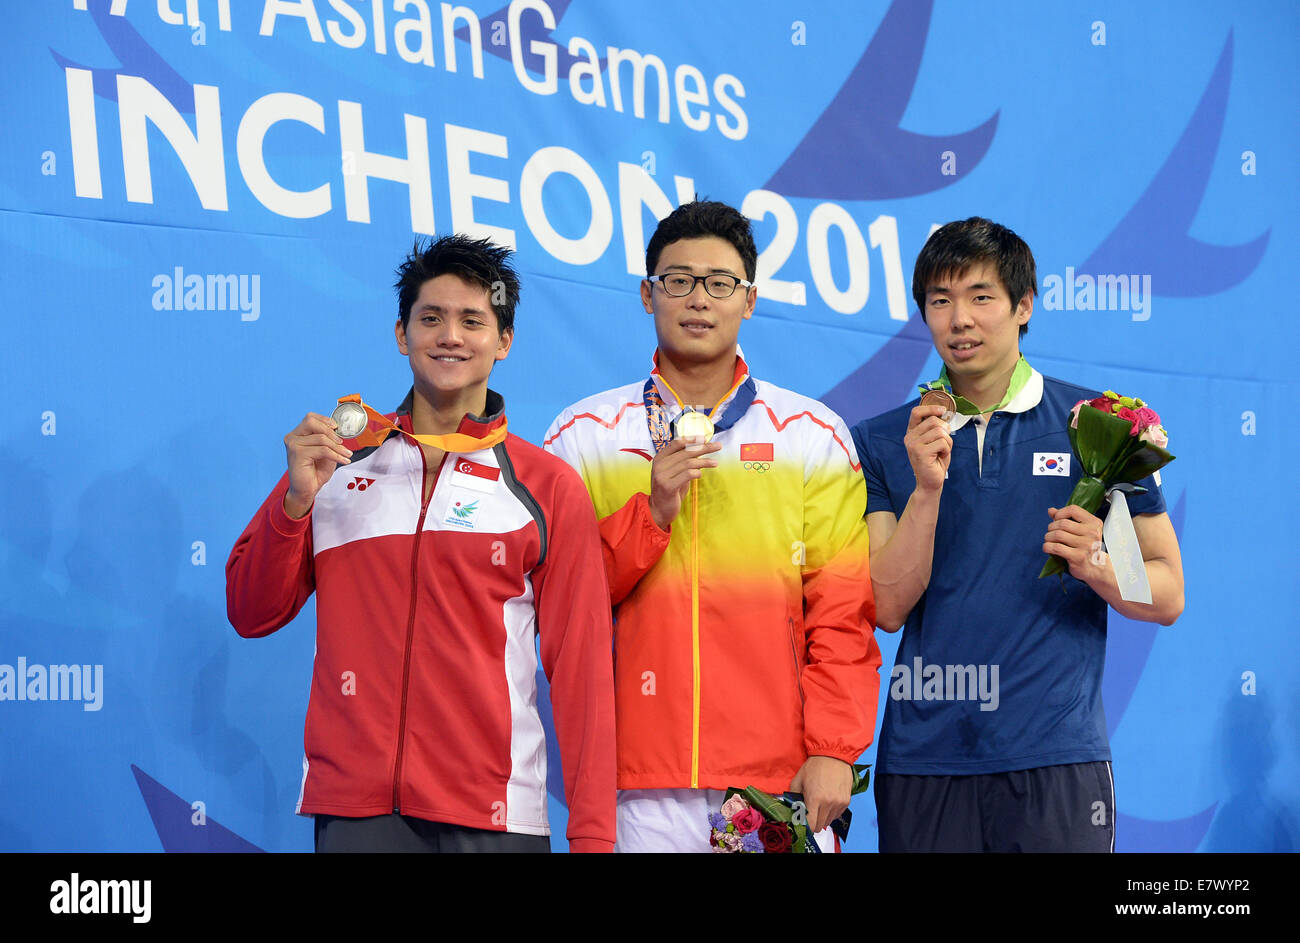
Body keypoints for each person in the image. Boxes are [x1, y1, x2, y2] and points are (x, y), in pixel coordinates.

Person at [226, 234, 615, 853]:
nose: (450, 336)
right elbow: (251, 612)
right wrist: (295, 502)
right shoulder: (335, 461)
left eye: (473, 320)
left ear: (504, 341)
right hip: (358, 812)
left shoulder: (547, 487)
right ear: (401, 334)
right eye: (430, 318)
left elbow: (582, 674)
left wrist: (594, 838)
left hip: (496, 815)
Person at [543, 200, 881, 852]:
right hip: (636, 787)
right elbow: (558, 607)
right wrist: (650, 516)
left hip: (777, 783)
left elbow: (842, 611)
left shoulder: (811, 435)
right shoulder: (583, 435)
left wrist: (836, 747)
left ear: (749, 301)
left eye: (720, 283)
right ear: (648, 293)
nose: (698, 299)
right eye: (678, 280)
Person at [852, 217, 1185, 853]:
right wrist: (926, 489)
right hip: (925, 758)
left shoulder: (1100, 426)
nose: (960, 320)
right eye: (940, 301)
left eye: (981, 297)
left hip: (1055, 756)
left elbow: (1165, 593)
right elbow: (887, 607)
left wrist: (1100, 565)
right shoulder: (886, 440)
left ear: (1023, 305)